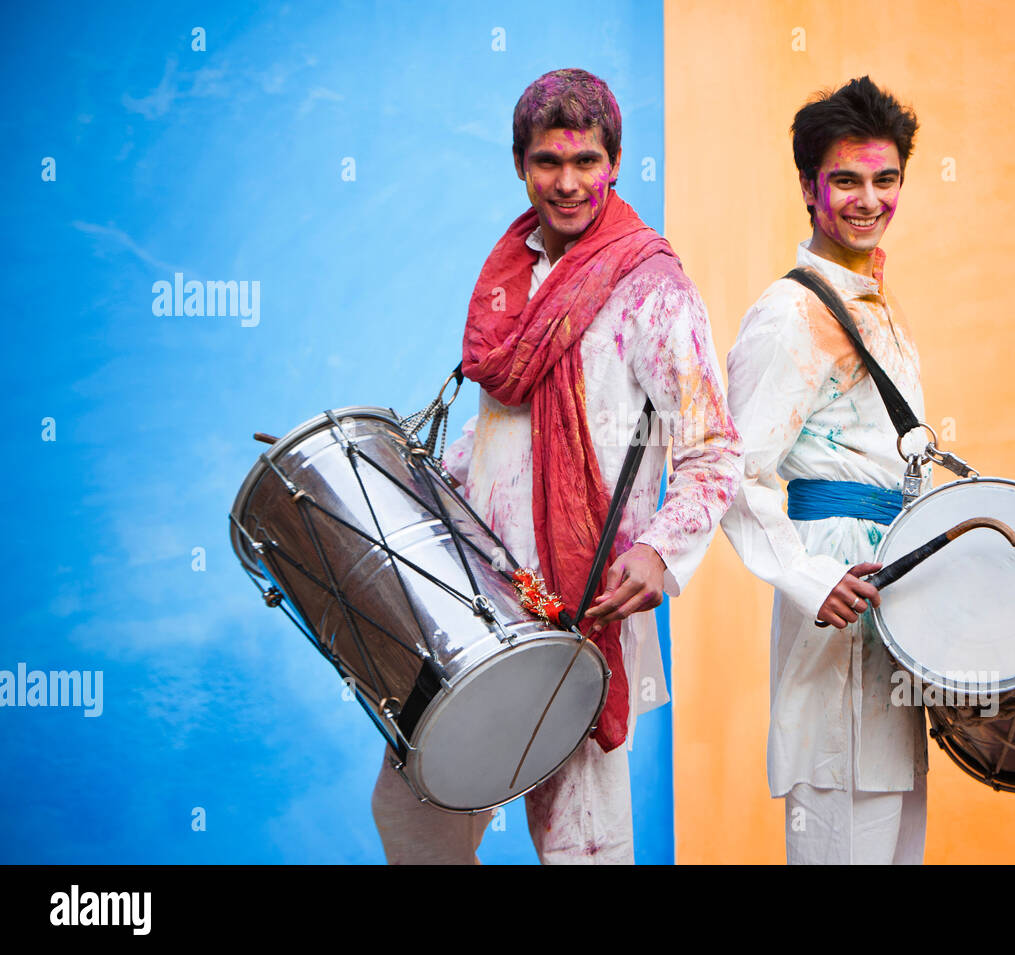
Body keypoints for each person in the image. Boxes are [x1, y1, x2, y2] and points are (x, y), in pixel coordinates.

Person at [370, 68, 742, 865]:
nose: (567, 183)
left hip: (580, 611)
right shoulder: (508, 283)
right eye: (547, 162)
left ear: (615, 163)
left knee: (582, 848)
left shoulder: (653, 288)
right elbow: (508, 436)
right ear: (519, 164)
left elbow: (712, 451)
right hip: (477, 599)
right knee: (413, 813)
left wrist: (659, 551)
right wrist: (426, 476)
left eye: (585, 161)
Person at [720, 76, 931, 865]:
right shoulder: (791, 313)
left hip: (894, 604)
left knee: (892, 835)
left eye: (885, 179)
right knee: (844, 827)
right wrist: (811, 578)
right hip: (840, 597)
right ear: (809, 188)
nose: (867, 199)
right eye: (845, 179)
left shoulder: (876, 301)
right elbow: (729, 471)